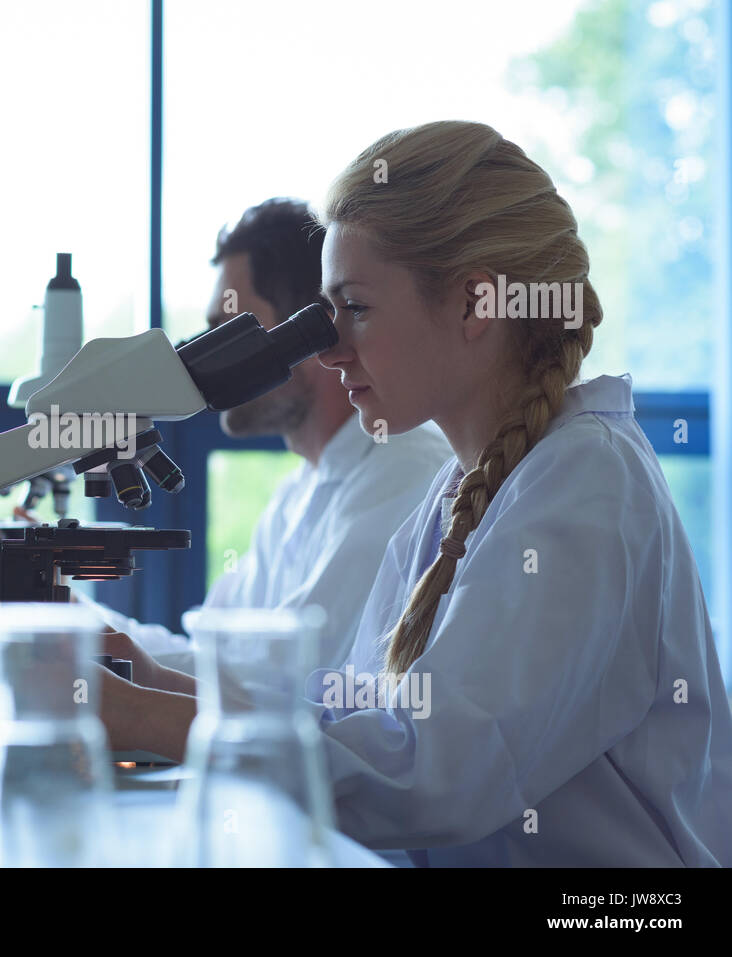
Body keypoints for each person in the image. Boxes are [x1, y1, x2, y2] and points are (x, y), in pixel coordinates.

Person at [96, 120, 732, 866]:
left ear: (474, 306)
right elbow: (352, 713)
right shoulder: (460, 490)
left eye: (355, 308)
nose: (330, 350)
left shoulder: (589, 484)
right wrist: (156, 681)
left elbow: (434, 772)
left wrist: (146, 717)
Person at [79, 198, 451, 671]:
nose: (204, 356)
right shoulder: (297, 495)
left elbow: (284, 683)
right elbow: (208, 663)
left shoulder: (404, 472)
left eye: (225, 330)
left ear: (311, 330)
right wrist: (61, 611)